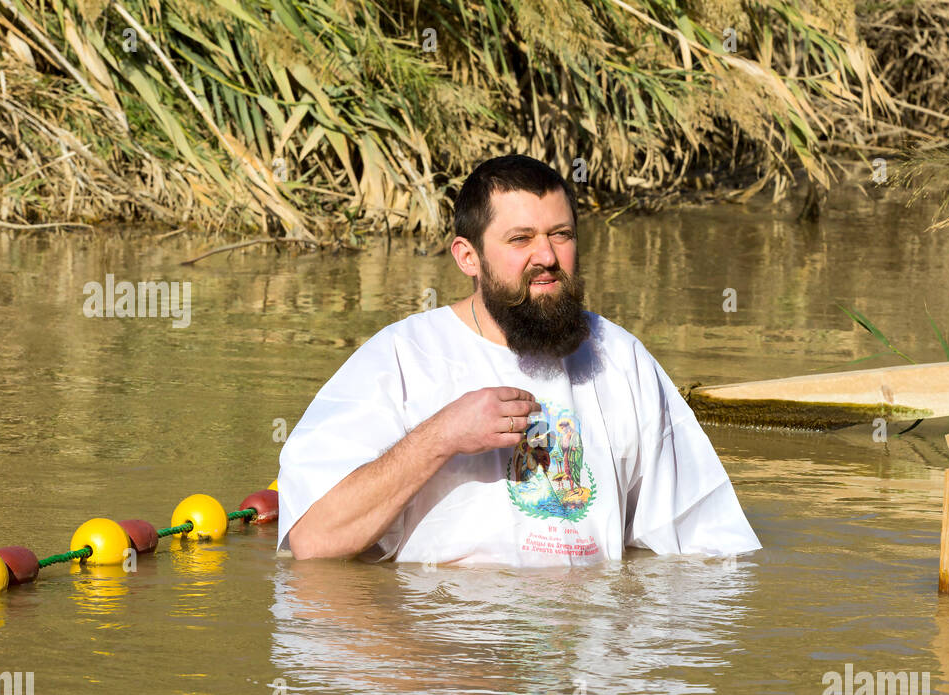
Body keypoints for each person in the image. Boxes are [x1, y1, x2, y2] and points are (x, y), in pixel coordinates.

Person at [276, 154, 761, 566]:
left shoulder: (620, 358)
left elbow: (709, 544)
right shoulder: (402, 357)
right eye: (520, 239)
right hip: (446, 650)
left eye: (562, 235)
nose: (547, 256)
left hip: (586, 653)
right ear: (468, 257)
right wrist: (441, 435)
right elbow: (314, 543)